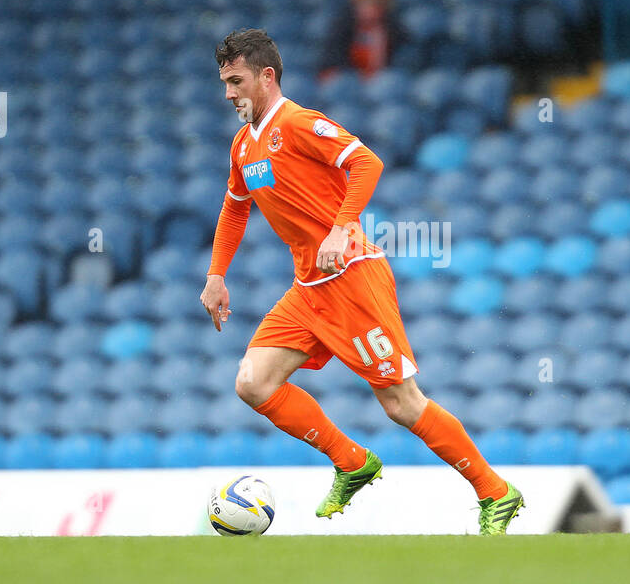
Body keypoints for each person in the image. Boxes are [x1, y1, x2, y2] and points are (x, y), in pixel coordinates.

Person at [201, 29, 524, 535]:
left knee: (401, 402)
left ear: (266, 77)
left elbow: (366, 162)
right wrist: (217, 274)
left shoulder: (300, 122)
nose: (228, 94)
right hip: (309, 286)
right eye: (223, 82)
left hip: (352, 276)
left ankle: (495, 491)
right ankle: (352, 462)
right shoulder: (244, 145)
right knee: (253, 382)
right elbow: (234, 208)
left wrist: (342, 226)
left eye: (236, 81)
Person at [318, 0, 409, 80]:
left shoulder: (395, 30)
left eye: (376, 3)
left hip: (382, 81)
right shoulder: (340, 29)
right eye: (364, 2)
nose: (370, 8)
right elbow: (331, 62)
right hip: (351, 81)